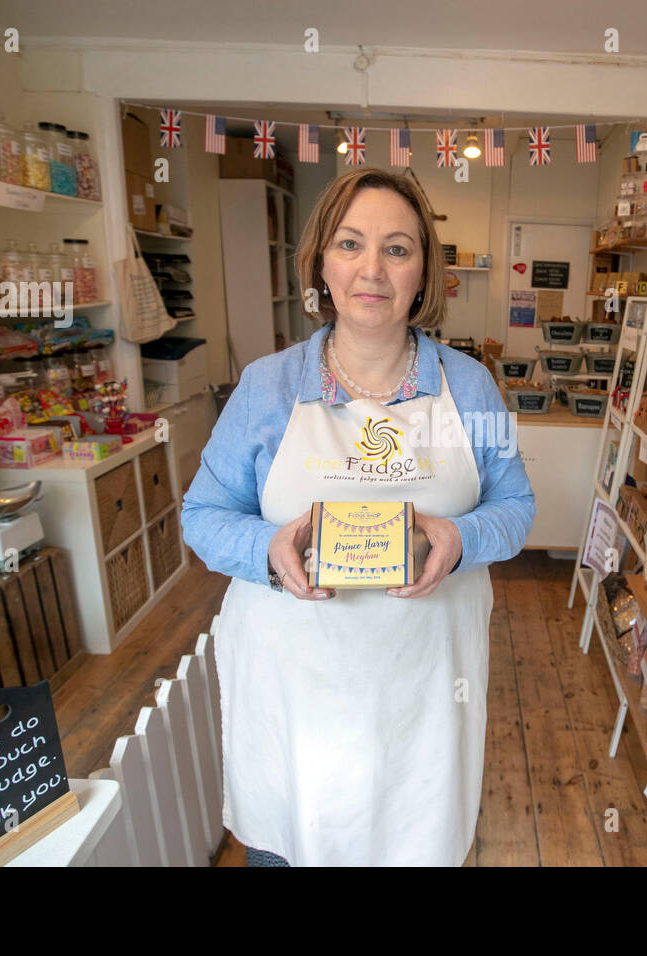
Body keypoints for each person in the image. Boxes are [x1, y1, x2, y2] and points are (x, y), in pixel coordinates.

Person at [182, 167, 536, 866]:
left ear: (424, 272)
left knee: (414, 842)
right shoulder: (267, 387)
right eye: (350, 244)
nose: (372, 269)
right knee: (292, 846)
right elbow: (202, 514)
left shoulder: (468, 386)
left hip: (424, 697)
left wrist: (459, 538)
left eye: (398, 249)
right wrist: (267, 549)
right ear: (321, 261)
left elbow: (517, 508)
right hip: (294, 698)